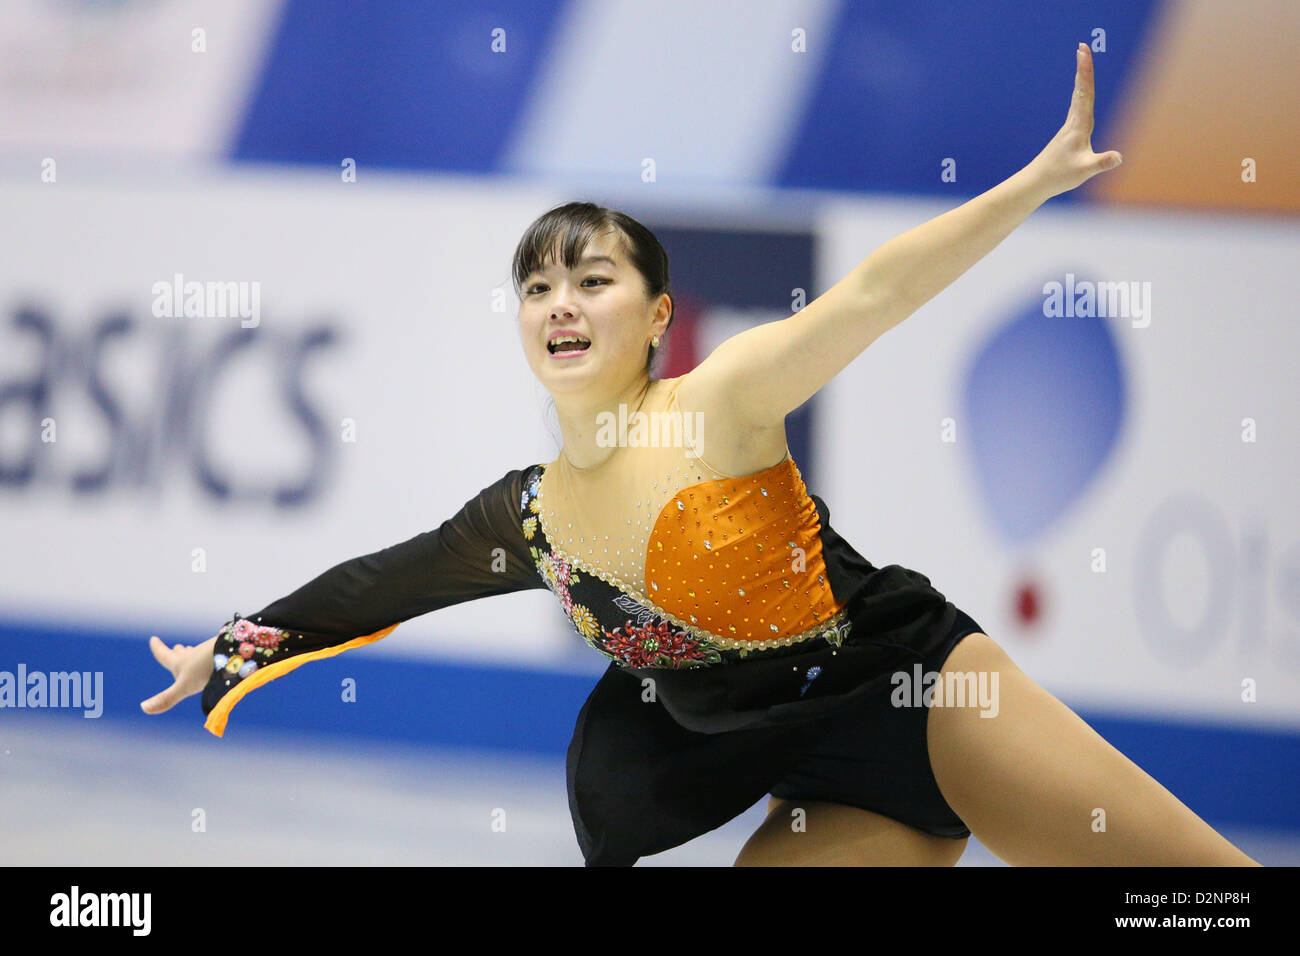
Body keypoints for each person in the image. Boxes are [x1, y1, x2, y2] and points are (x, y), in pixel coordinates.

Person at [141, 45, 1259, 866]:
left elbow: (878, 291)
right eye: (537, 285)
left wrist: (1034, 183)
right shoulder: (525, 519)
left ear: (656, 311)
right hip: (821, 781)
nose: (560, 303)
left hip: (933, 700)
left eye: (592, 279)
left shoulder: (720, 401)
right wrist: (230, 644)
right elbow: (383, 584)